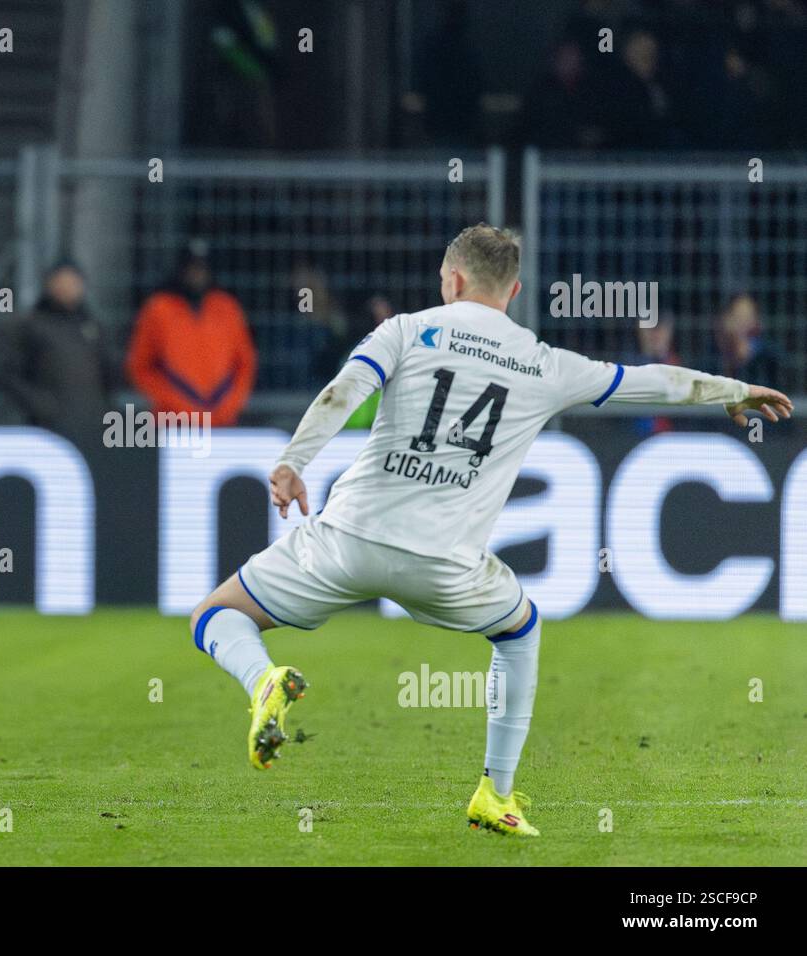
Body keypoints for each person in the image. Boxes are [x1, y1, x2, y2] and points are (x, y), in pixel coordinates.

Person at [187, 224, 790, 836]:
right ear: (515, 290)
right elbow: (650, 381)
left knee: (215, 615)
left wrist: (293, 462)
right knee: (520, 628)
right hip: (445, 566)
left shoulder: (406, 330)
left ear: (452, 279)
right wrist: (733, 392)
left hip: (347, 541)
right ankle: (495, 793)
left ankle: (263, 678)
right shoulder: (542, 362)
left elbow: (344, 391)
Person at [125, 240, 257, 426]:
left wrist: (230, 405)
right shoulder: (158, 308)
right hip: (172, 421)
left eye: (202, 268)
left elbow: (245, 363)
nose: (197, 274)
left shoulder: (227, 307)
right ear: (180, 269)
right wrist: (175, 404)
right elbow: (141, 366)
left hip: (222, 422)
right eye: (192, 268)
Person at [7, 259, 115, 450]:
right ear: (49, 285)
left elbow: (110, 371)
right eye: (61, 282)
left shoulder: (92, 325)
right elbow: (10, 375)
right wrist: (43, 406)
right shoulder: (32, 325)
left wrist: (103, 409)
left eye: (72, 283)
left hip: (91, 425)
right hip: (48, 430)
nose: (67, 289)